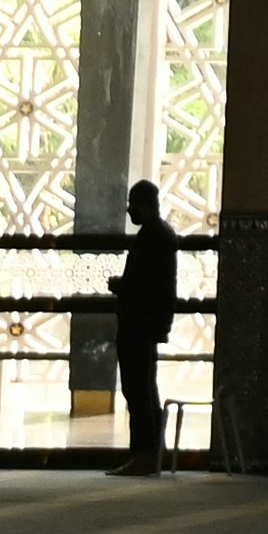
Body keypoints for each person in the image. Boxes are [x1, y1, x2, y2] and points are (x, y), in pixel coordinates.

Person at [106, 178, 182, 476]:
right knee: (145, 390)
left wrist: (120, 286)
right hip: (148, 325)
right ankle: (152, 453)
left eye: (132, 204)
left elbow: (144, 285)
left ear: (144, 204)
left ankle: (143, 455)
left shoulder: (152, 238)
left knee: (137, 391)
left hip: (138, 325)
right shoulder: (162, 235)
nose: (129, 210)